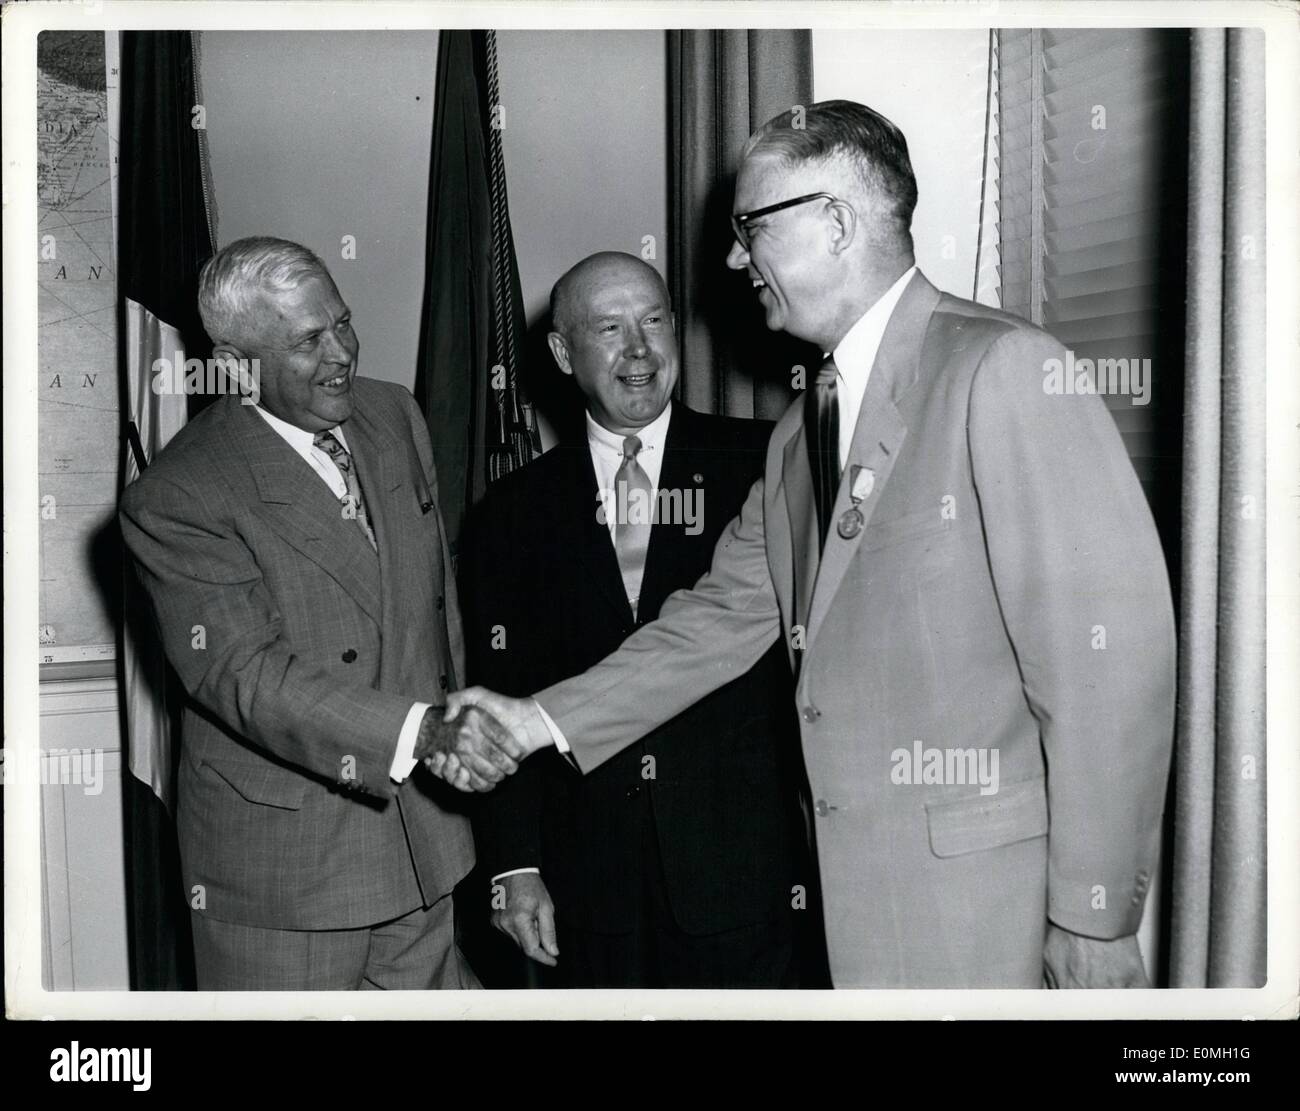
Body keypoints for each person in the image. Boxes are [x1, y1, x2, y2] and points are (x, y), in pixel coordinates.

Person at [438, 102, 1178, 989]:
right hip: (851, 911)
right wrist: (532, 720)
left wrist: (1093, 917)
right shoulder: (799, 434)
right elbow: (712, 624)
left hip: (990, 911)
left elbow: (1110, 657)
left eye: (751, 227)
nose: (732, 258)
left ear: (835, 222)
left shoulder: (1001, 371)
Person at [119, 236, 519, 990]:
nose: (343, 354)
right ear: (238, 364)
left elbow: (436, 614)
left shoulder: (393, 414)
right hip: (287, 876)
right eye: (309, 340)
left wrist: (462, 756)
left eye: (343, 322)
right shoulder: (180, 495)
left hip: (421, 843)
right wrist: (424, 732)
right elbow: (246, 674)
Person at [459, 252, 819, 988]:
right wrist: (515, 864)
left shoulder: (766, 464)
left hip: (749, 873)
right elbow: (500, 690)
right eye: (611, 328)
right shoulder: (509, 513)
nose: (639, 350)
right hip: (587, 884)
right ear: (563, 352)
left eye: (654, 321)